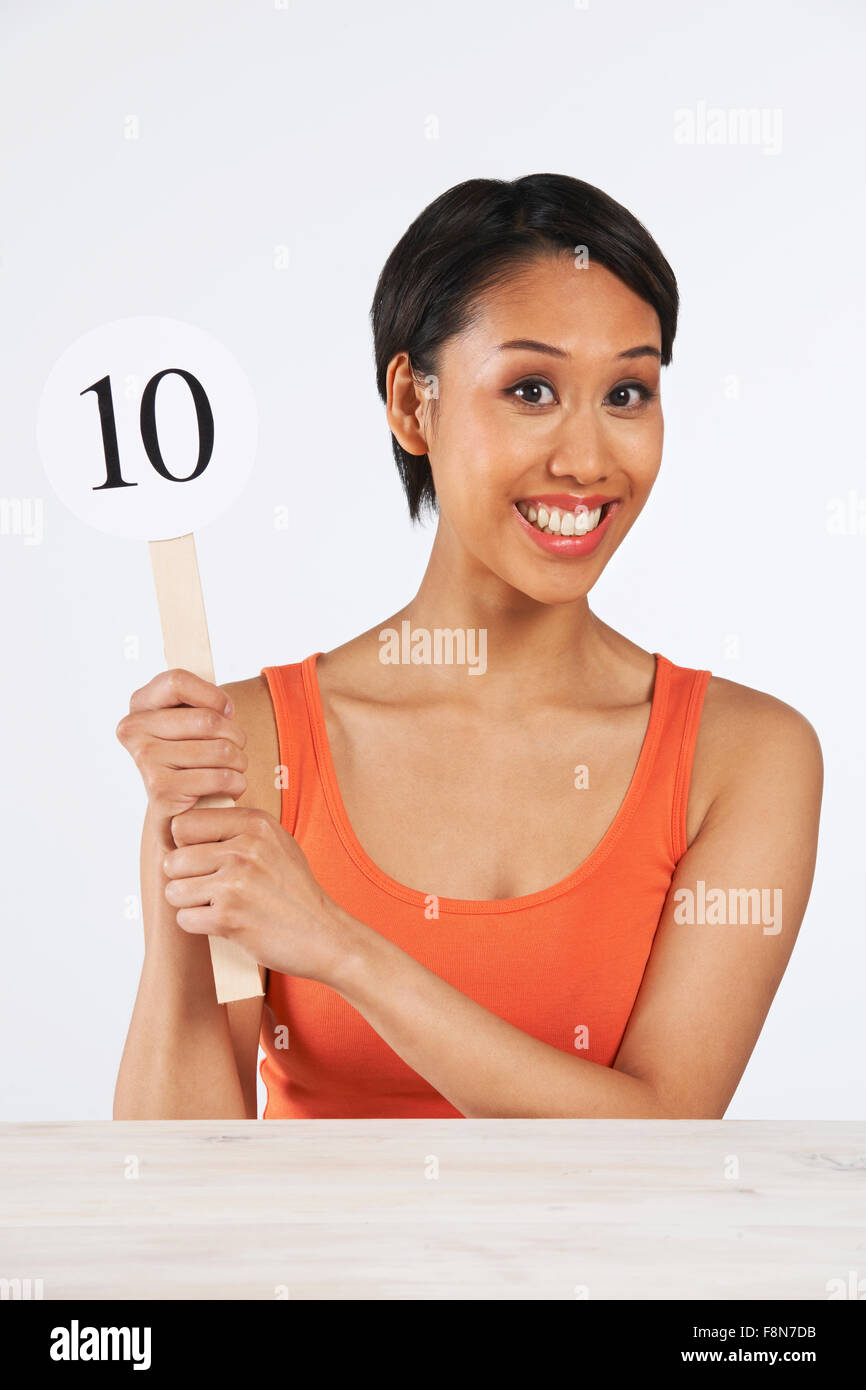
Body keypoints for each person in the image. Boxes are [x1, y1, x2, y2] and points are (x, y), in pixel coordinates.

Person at [113, 174, 822, 1121]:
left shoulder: (746, 756)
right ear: (412, 403)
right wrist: (173, 868)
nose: (586, 459)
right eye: (531, 389)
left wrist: (341, 948)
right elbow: (175, 1192)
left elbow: (665, 1138)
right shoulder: (247, 742)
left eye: (627, 391)